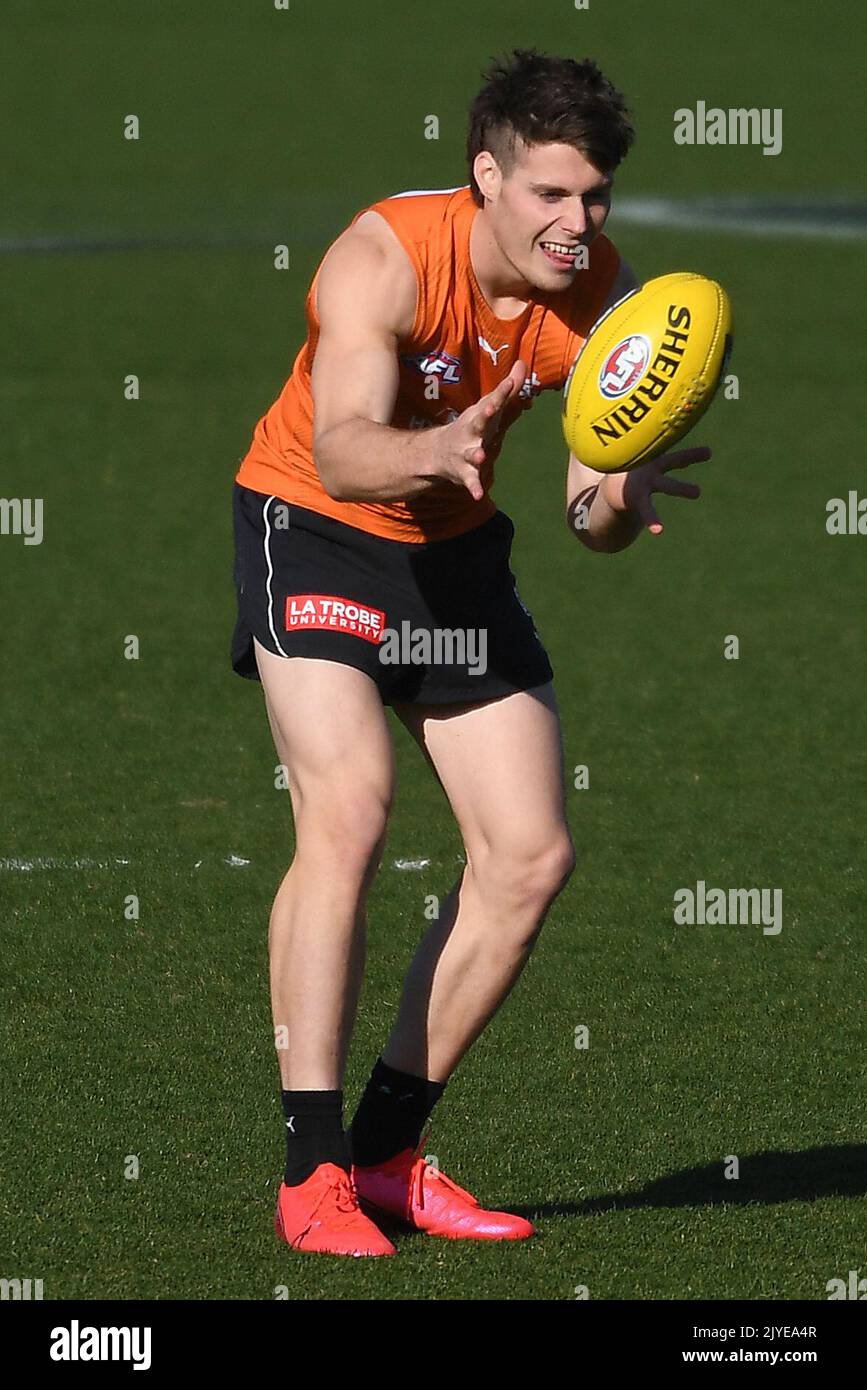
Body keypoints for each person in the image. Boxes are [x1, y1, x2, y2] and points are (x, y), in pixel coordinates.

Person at [231, 49, 710, 1257]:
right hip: (319, 529)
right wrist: (434, 446)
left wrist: (622, 485)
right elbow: (342, 448)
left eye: (594, 196)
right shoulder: (384, 256)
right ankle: (311, 1171)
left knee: (530, 853)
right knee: (347, 811)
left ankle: (388, 1153)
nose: (576, 221)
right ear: (486, 173)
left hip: (454, 558)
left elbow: (586, 521)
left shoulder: (604, 296)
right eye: (549, 193)